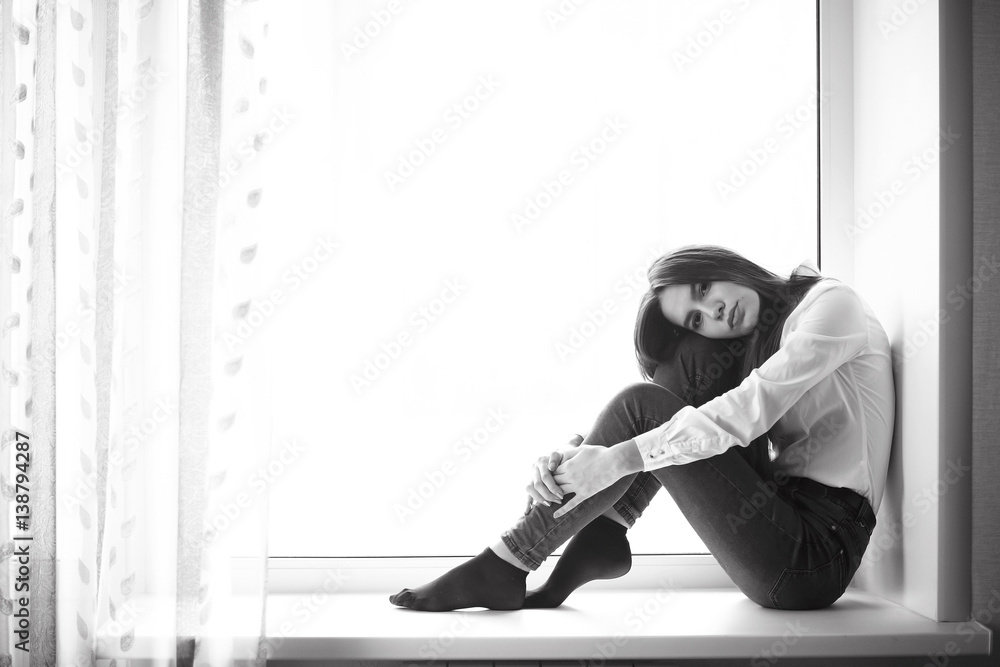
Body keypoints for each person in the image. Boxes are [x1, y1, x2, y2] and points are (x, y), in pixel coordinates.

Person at [388, 245, 894, 612]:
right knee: (677, 379)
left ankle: (516, 557)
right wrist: (581, 457)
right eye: (697, 318)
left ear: (724, 267)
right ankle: (601, 527)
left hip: (814, 553)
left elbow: (746, 412)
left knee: (645, 409)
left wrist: (611, 460)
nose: (713, 310)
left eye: (702, 290)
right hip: (780, 516)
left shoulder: (831, 306)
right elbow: (694, 414)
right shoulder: (762, 342)